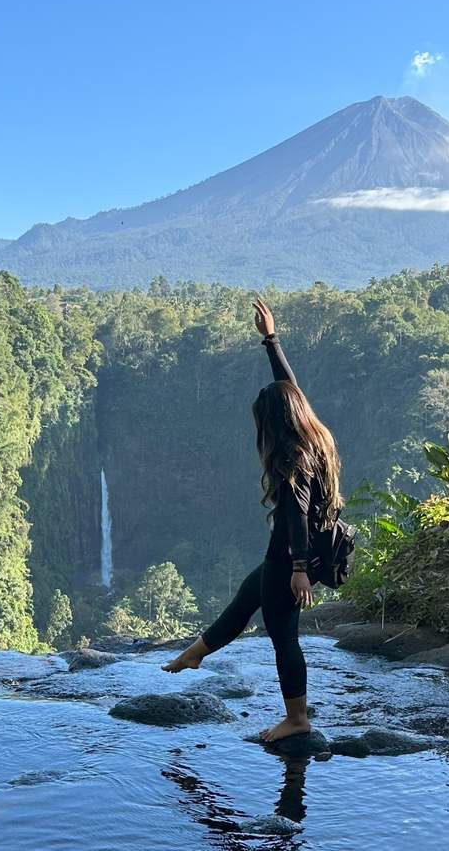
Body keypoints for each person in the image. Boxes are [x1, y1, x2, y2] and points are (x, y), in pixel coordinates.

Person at [163, 298, 342, 742]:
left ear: (274, 424)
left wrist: (298, 571)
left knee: (284, 637)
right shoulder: (313, 437)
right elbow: (289, 387)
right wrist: (270, 339)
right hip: (304, 550)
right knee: (248, 595)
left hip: (291, 556)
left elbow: (297, 513)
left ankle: (296, 719)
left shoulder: (289, 457)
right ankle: (196, 653)